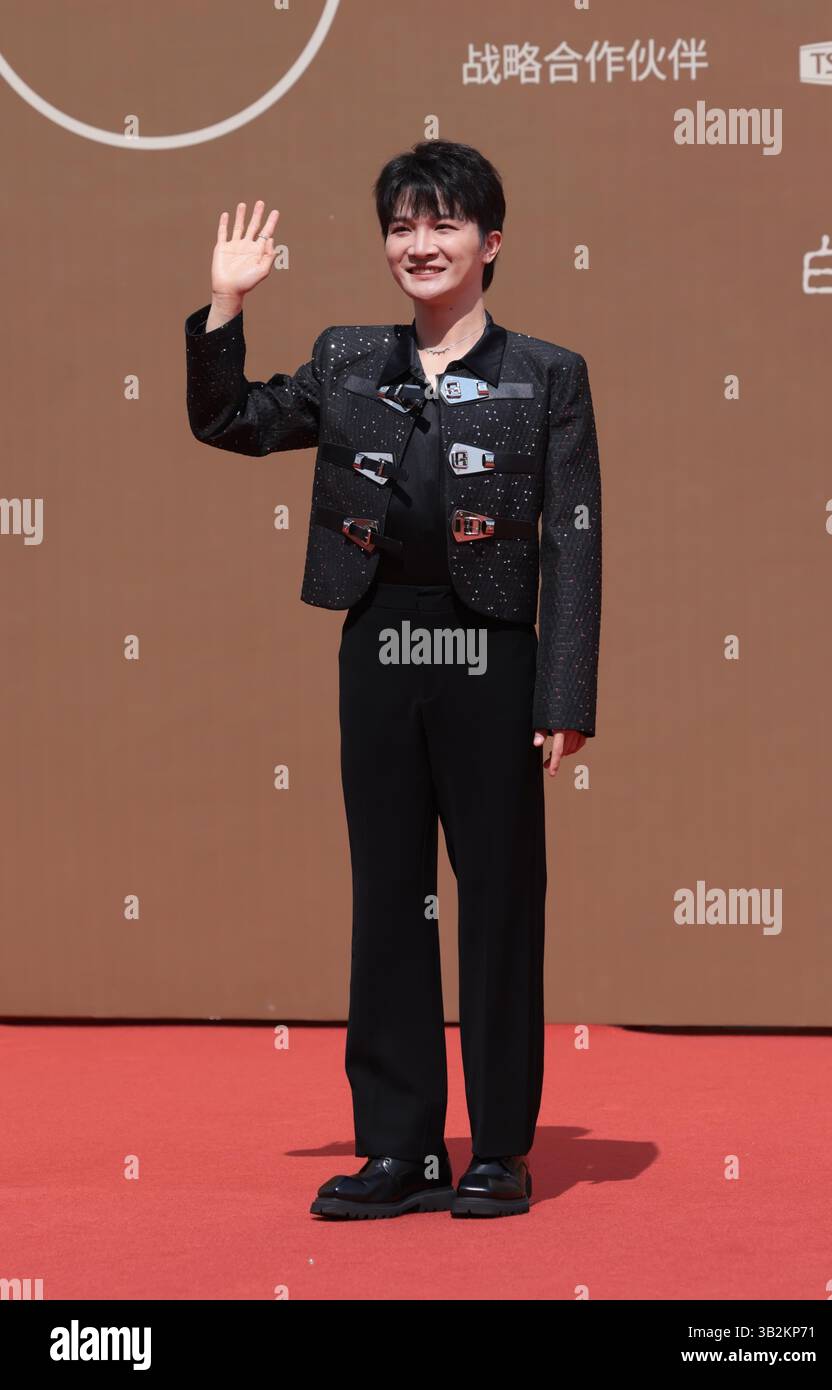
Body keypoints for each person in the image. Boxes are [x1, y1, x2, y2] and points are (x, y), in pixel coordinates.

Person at [185, 139, 602, 1219]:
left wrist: (562, 696)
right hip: (378, 649)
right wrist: (225, 308)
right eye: (402, 227)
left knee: (499, 902)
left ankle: (499, 1148)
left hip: (491, 657)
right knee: (389, 899)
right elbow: (231, 420)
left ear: (489, 242)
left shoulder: (546, 374)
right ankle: (401, 1148)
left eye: (443, 223)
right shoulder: (348, 358)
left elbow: (574, 543)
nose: (421, 244)